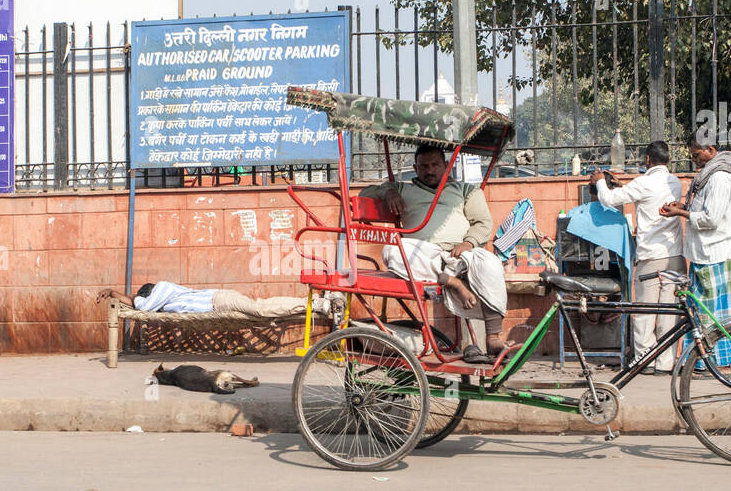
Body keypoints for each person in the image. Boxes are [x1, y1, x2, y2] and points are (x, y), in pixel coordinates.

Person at [359, 143, 507, 363]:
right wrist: (388, 191)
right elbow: (365, 193)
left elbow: (483, 223)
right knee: (393, 250)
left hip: (460, 255)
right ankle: (453, 283)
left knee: (490, 261)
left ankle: (493, 336)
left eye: (435, 165)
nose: (429, 170)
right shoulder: (402, 189)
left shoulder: (465, 190)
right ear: (415, 168)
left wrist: (468, 243)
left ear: (446, 166)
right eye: (424, 166)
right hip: (422, 254)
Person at [659, 131, 731, 372]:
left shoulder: (720, 178)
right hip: (703, 255)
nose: (695, 160)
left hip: (716, 255)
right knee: (700, 312)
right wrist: (682, 206)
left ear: (710, 149)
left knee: (717, 315)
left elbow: (711, 219)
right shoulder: (707, 177)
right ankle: (702, 361)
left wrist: (681, 214)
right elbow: (701, 208)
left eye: (697, 155)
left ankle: (721, 364)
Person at [590, 140, 684, 375]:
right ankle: (665, 364)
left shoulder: (643, 183)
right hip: (675, 256)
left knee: (644, 312)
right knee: (669, 314)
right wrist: (625, 185)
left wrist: (600, 182)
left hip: (650, 258)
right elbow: (648, 193)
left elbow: (609, 199)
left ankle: (645, 361)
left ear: (648, 160)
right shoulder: (674, 182)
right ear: (668, 161)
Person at [96, 282, 332, 319]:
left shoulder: (162, 288)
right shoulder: (164, 298)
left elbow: (144, 306)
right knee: (261, 305)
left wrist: (118, 295)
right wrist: (116, 293)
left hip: (220, 300)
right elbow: (142, 304)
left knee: (260, 309)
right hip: (219, 301)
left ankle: (315, 304)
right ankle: (313, 303)